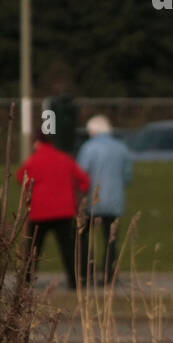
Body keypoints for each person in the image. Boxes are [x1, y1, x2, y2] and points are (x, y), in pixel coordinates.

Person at [16, 132, 91, 290]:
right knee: (68, 249)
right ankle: (76, 281)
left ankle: (27, 283)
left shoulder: (34, 160)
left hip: (40, 212)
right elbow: (84, 180)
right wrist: (79, 195)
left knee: (34, 250)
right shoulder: (64, 158)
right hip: (64, 211)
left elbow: (21, 178)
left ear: (37, 143)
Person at [76, 115, 134, 284]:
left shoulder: (88, 147)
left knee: (84, 237)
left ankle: (87, 273)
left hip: (91, 202)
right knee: (111, 238)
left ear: (92, 131)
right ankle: (109, 274)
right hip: (115, 201)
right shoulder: (122, 148)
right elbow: (127, 176)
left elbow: (81, 173)